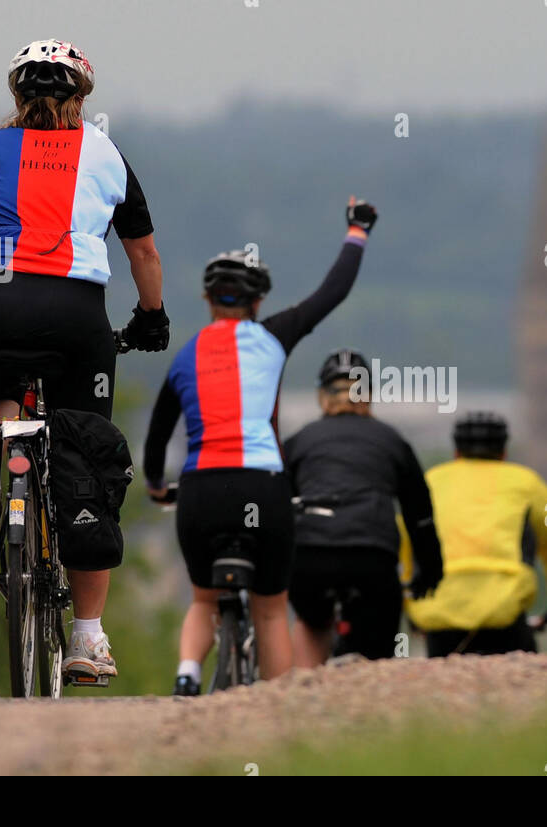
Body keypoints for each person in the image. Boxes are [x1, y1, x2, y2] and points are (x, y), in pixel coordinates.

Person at [0, 39, 171, 681]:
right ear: (82, 99)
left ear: (16, 97)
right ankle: (88, 638)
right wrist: (151, 317)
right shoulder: (107, 152)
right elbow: (143, 253)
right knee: (85, 447)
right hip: (74, 316)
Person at [143, 199, 379, 696]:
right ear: (257, 304)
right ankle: (276, 709)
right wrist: (357, 231)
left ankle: (187, 671)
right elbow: (332, 292)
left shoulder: (186, 357)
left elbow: (158, 434)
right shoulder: (274, 336)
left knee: (204, 599)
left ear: (209, 302)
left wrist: (158, 485)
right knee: (272, 607)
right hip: (261, 488)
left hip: (201, 490)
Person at [282, 349, 444, 666]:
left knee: (311, 622)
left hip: (311, 557)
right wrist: (431, 570)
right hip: (373, 556)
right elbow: (419, 515)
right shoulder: (392, 441)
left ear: (322, 396)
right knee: (377, 656)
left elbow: (277, 508)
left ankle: (302, 692)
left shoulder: (299, 442)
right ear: (367, 395)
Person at [405, 412, 547, 656]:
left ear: (456, 453)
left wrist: (412, 608)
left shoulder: (429, 482)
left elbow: (406, 547)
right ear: (503, 453)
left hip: (438, 611)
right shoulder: (530, 484)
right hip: (504, 610)